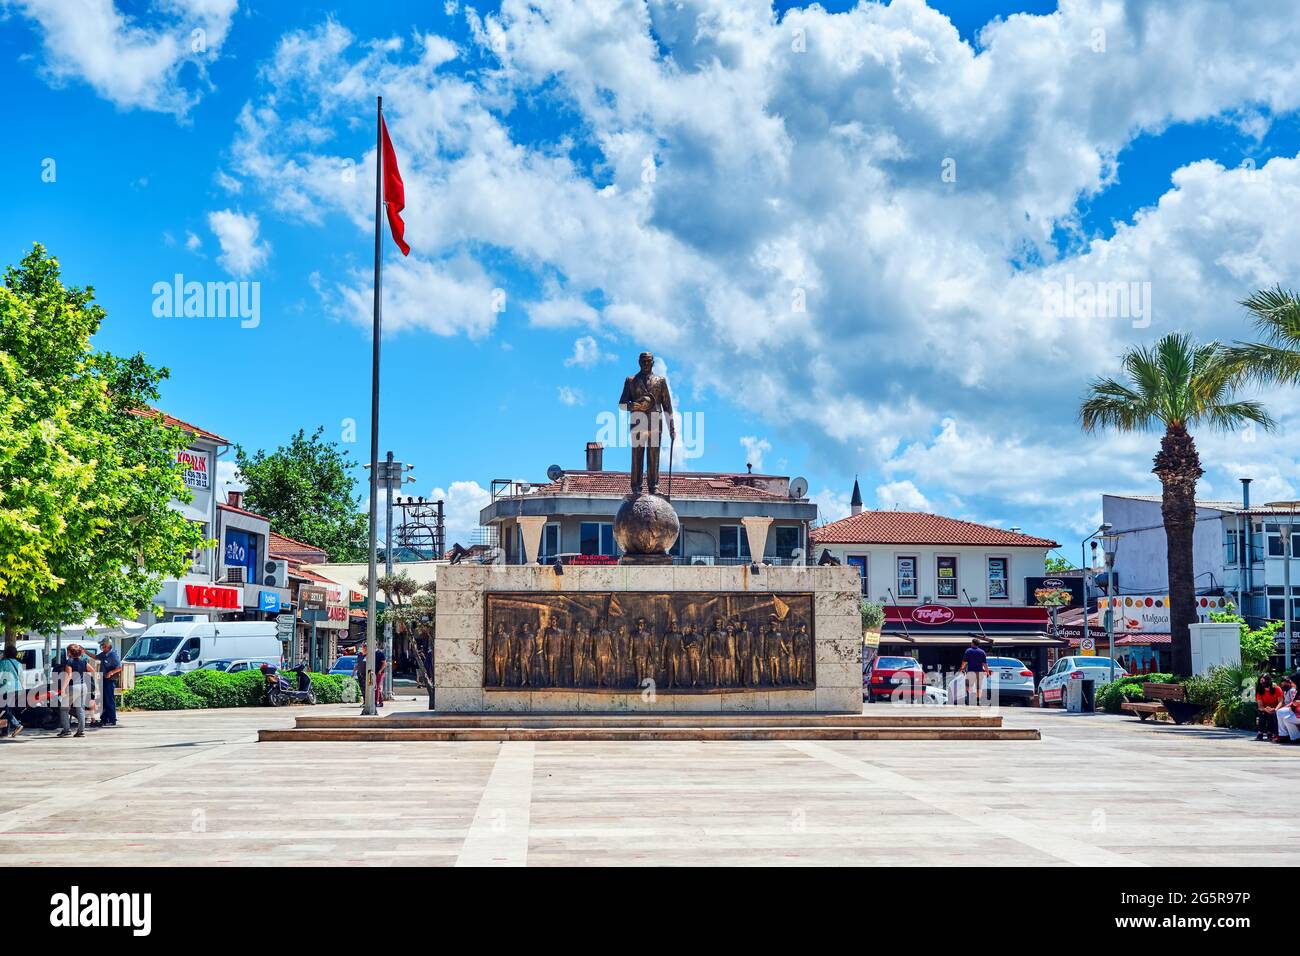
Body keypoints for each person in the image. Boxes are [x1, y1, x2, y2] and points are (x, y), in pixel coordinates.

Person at [57, 644, 92, 738]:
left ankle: (66, 730)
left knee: (64, 708)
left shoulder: (69, 662)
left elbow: (69, 676)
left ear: (70, 652)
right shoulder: (84, 661)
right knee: (80, 709)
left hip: (73, 687)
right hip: (83, 686)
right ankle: (81, 731)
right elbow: (92, 671)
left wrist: (63, 688)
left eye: (68, 651)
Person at [92, 637, 122, 728]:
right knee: (103, 700)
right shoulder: (103, 654)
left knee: (109, 700)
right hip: (103, 679)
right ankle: (104, 719)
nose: (102, 646)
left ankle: (112, 719)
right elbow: (95, 657)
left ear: (107, 646)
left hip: (110, 681)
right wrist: (85, 651)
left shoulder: (113, 655)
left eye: (103, 645)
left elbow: (120, 667)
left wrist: (111, 672)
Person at [0, 645, 23, 738]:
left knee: (3, 709)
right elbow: (21, 678)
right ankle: (5, 732)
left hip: (6, 689)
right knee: (8, 709)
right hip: (17, 689)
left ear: (5, 653)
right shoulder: (18, 663)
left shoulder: (2, 663)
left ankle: (17, 725)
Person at [960, 639, 989, 706]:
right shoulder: (982, 652)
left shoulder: (968, 651)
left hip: (970, 671)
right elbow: (985, 664)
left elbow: (964, 662)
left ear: (973, 643)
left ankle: (968, 699)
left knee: (968, 686)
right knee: (979, 687)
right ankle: (978, 701)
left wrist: (962, 668)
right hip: (979, 672)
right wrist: (987, 671)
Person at [1255, 674, 1283, 742]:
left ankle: (1270, 733)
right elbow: (1260, 706)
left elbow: (1281, 702)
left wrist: (1275, 709)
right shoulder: (1260, 691)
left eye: (1264, 680)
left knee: (1272, 714)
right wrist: (1265, 709)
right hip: (1265, 708)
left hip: (1276, 708)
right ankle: (1260, 733)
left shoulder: (1277, 688)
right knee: (1262, 713)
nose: (1263, 682)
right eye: (1261, 681)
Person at [1276, 677, 1300, 744]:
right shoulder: (1295, 690)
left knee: (1286, 718)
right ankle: (1283, 735)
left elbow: (1294, 702)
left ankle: (1296, 737)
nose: (1292, 683)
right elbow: (1293, 702)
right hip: (1296, 709)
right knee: (1280, 712)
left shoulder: (1292, 690)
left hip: (1297, 710)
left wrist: (1296, 703)